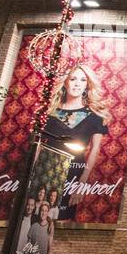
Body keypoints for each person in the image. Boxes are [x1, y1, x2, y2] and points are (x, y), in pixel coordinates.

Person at [48, 64, 110, 211]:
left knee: (63, 214)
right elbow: (39, 145)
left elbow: (95, 149)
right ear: (65, 82)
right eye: (73, 79)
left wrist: (82, 181)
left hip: (75, 171)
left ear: (87, 85)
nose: (77, 84)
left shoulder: (95, 115)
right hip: (47, 169)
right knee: (39, 214)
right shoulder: (50, 111)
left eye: (82, 80)